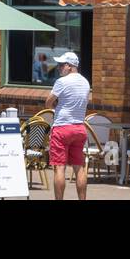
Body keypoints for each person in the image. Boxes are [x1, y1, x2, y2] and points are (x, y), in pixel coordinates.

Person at [45, 51, 92, 201]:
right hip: (79, 127)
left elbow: (48, 102)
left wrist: (56, 108)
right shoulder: (85, 82)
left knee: (59, 167)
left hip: (62, 128)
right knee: (79, 167)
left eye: (61, 65)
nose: (58, 68)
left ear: (70, 66)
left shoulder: (62, 82)